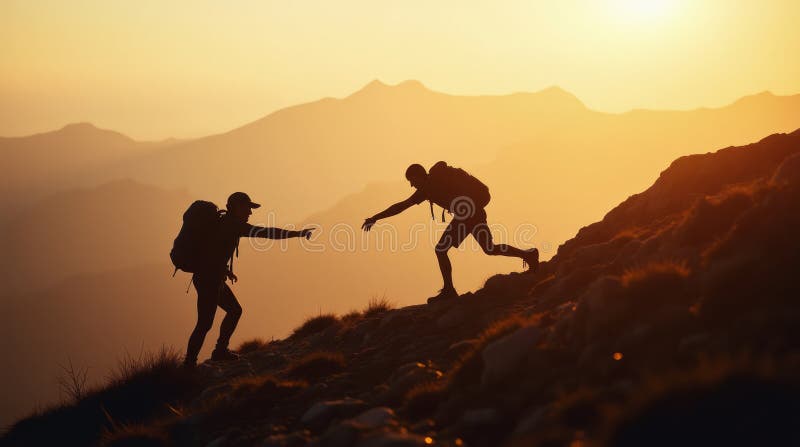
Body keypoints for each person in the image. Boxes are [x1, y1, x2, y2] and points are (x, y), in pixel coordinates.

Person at [362, 162, 538, 304]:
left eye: (412, 180)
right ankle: (529, 255)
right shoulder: (428, 188)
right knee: (489, 248)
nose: (411, 184)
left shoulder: (430, 186)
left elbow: (401, 206)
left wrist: (375, 218)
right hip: (472, 213)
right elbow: (401, 206)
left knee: (442, 249)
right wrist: (376, 217)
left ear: (419, 175)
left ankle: (449, 290)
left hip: (468, 216)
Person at [183, 192, 313, 366]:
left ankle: (215, 352)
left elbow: (213, 252)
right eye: (247, 208)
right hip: (209, 281)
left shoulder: (224, 223)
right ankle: (190, 363)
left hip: (209, 278)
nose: (250, 213)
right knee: (206, 323)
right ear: (236, 207)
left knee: (231, 312)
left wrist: (225, 271)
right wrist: (297, 233)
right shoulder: (232, 225)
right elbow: (267, 233)